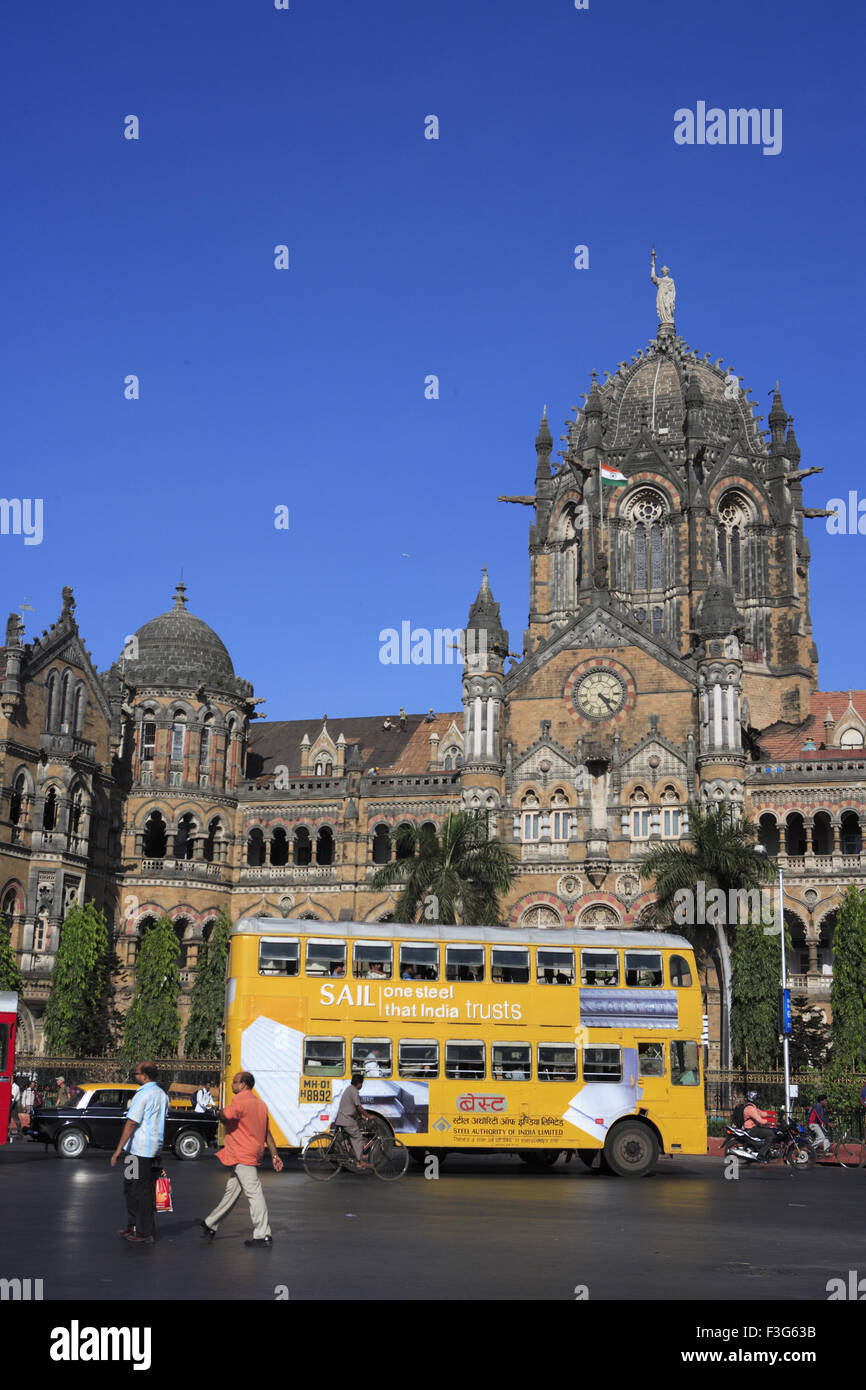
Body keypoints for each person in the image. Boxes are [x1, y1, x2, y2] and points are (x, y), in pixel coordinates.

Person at [200, 1071, 283, 1248]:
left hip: (241, 1153)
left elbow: (226, 1116)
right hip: (252, 1152)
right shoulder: (261, 1105)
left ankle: (262, 1234)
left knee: (254, 1192)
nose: (232, 1085)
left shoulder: (240, 1101)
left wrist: (219, 1112)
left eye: (235, 1082)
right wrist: (275, 1155)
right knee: (232, 1191)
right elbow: (267, 1133)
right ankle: (211, 1223)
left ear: (243, 1084)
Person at [110, 1062, 169, 1245]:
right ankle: (134, 1224)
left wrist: (118, 1149)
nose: (135, 1076)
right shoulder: (162, 1094)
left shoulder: (142, 1094)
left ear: (144, 1076)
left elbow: (131, 1123)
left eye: (136, 1073)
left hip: (138, 1150)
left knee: (139, 1190)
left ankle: (144, 1231)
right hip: (148, 1148)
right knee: (131, 1187)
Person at [333, 1074, 372, 1170]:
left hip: (342, 1118)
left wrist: (360, 1115)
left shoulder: (349, 1089)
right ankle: (360, 1162)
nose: (362, 1085)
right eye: (361, 1083)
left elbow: (352, 1106)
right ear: (359, 1083)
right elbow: (358, 1106)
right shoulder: (354, 1091)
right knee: (358, 1137)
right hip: (347, 1119)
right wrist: (368, 1115)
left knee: (353, 1137)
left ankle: (358, 1155)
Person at [741, 1090, 775, 1155]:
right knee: (770, 1134)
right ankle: (762, 1154)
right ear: (753, 1098)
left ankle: (766, 1148)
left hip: (754, 1127)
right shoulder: (750, 1109)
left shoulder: (752, 1106)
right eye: (757, 1098)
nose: (758, 1100)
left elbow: (761, 1113)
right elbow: (760, 1120)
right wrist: (772, 1123)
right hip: (751, 1129)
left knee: (769, 1129)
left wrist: (773, 1116)